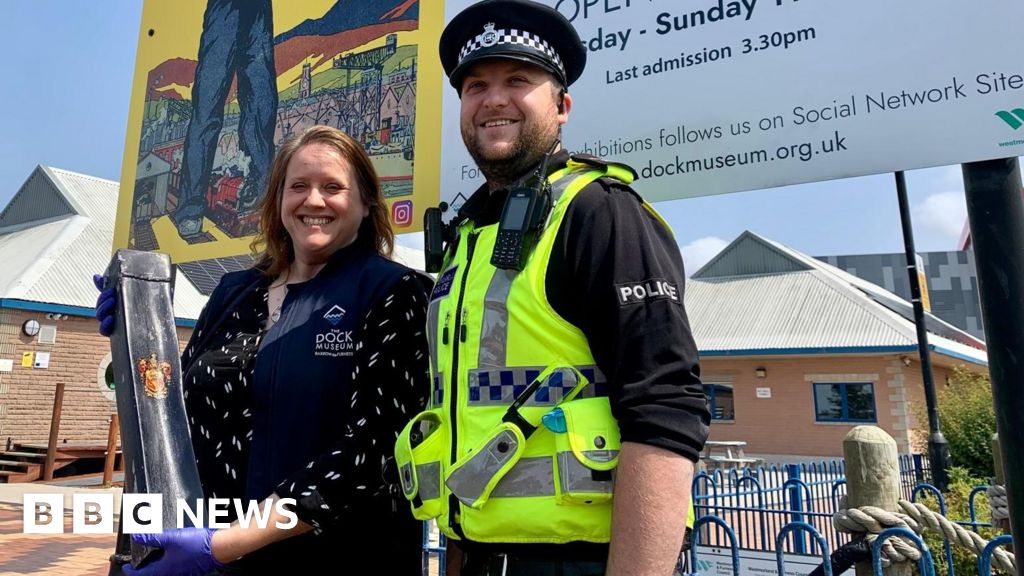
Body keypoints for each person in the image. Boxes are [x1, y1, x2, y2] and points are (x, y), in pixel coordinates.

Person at [393, 1, 710, 575]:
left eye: (518, 80)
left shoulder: (599, 213)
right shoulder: (470, 235)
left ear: (561, 106)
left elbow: (665, 407)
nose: (493, 99)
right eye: (475, 86)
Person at [96, 124, 430, 574]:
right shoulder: (235, 291)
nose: (314, 200)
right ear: (278, 200)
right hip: (209, 556)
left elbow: (375, 451)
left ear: (366, 204)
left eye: (333, 187)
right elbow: (176, 411)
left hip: (338, 559)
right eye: (298, 186)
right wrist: (137, 334)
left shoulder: (396, 292)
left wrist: (230, 542)